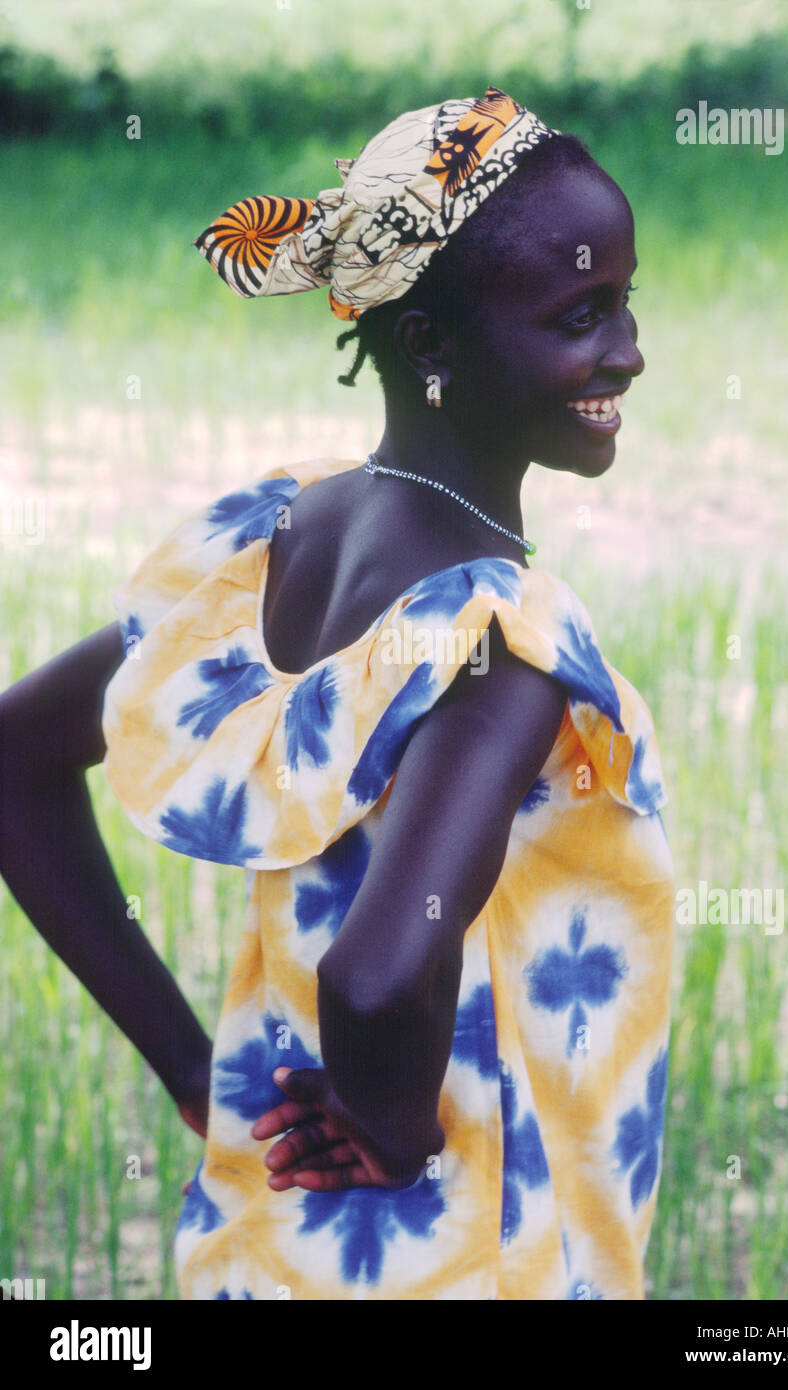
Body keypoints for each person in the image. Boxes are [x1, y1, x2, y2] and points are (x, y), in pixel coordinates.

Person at [0, 87, 675, 1300]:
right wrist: (405, 1131)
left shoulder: (273, 541)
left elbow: (10, 755)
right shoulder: (504, 641)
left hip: (272, 1231)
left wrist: (195, 1073)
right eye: (582, 315)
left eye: (629, 302)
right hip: (459, 1240)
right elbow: (374, 976)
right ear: (431, 348)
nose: (627, 350)